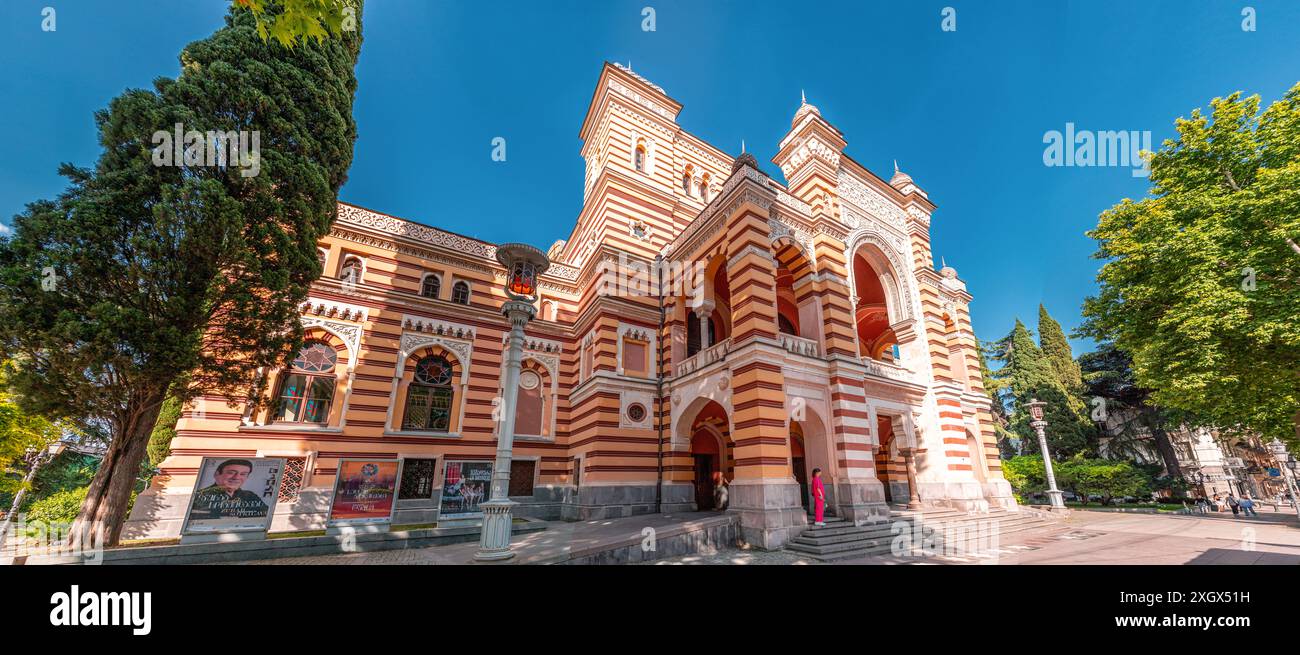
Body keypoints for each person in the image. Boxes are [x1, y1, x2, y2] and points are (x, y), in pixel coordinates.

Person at [189, 459, 269, 521]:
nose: (236, 477)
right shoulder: (202, 495)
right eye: (231, 472)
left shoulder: (250, 496)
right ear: (217, 474)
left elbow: (264, 515)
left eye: (243, 474)